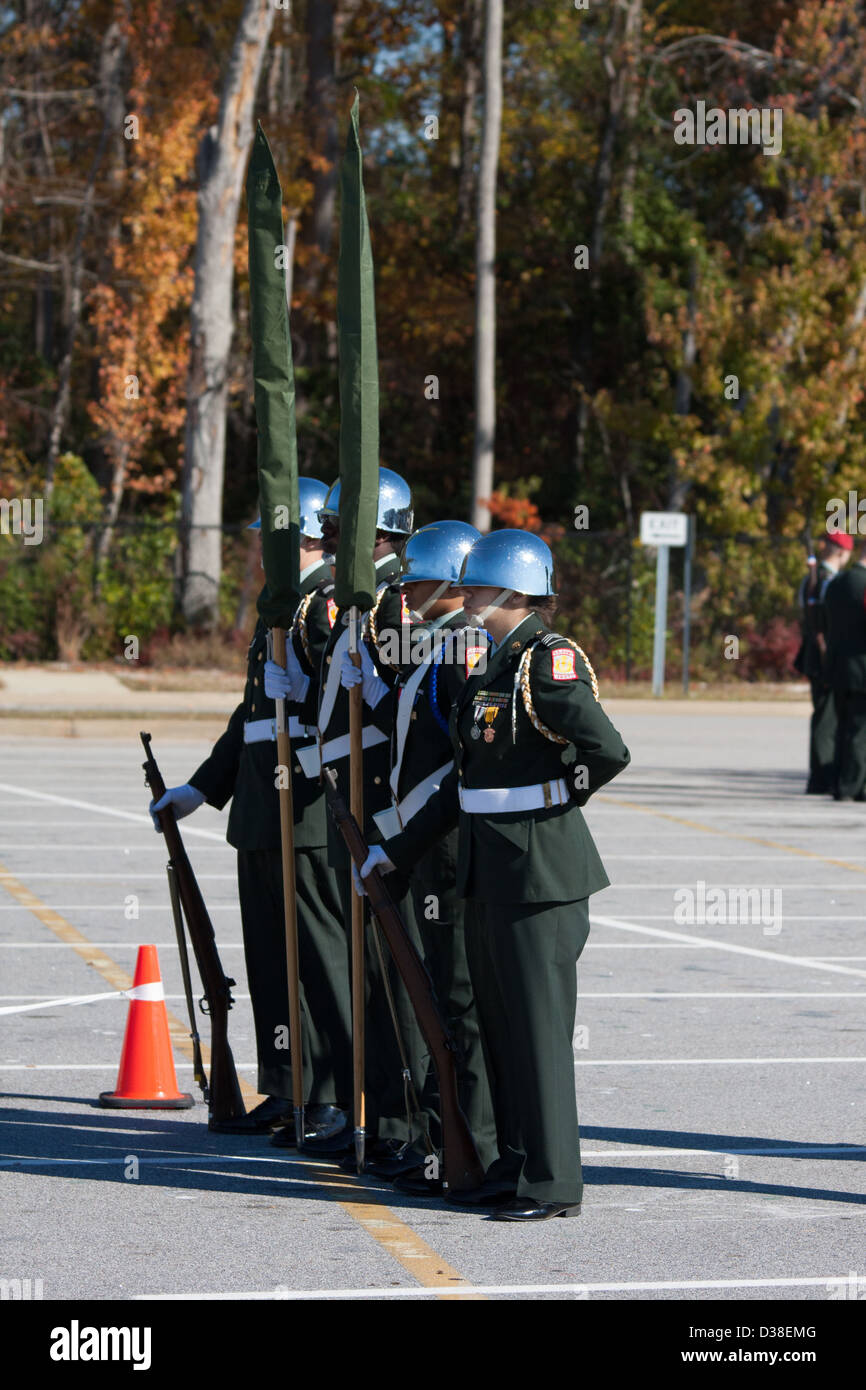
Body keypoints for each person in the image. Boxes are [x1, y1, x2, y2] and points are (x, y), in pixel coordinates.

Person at [357, 529, 630, 1220]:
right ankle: (512, 1165)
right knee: (503, 1032)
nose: (468, 596)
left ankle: (551, 1182)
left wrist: (550, 802)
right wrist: (399, 850)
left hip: (540, 877)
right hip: (489, 873)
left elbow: (606, 749)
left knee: (536, 1036)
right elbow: (461, 788)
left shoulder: (548, 661)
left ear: (512, 591)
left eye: (478, 586)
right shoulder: (492, 664)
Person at [150, 479, 348, 1137]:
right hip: (264, 811)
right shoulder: (280, 609)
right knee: (270, 961)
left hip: (309, 812)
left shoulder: (326, 607)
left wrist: (312, 687)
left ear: (305, 538)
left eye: (272, 536)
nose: (261, 550)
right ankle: (290, 1091)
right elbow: (252, 717)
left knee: (316, 960)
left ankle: (332, 1098)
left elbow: (348, 704)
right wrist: (203, 787)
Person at [267, 467, 431, 1172]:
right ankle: (387, 1122)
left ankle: (407, 1128)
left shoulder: (394, 606)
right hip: (347, 801)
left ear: (380, 536)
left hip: (382, 809)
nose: (330, 545)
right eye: (329, 533)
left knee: (392, 974)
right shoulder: (362, 603)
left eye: (340, 533)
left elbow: (416, 714)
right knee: (370, 971)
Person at [369, 520, 497, 1196]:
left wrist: (406, 839)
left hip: (441, 848)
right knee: (433, 999)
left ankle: (466, 1153)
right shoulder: (437, 643)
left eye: (418, 575)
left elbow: (457, 759)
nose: (407, 585)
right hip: (419, 840)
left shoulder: (466, 647)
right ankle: (440, 1145)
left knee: (454, 1000)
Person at [795, 531, 853, 793]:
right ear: (843, 551)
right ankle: (823, 776)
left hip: (816, 654)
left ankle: (821, 774)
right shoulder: (828, 581)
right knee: (827, 717)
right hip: (825, 655)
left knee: (824, 714)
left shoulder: (813, 579)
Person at [823, 534, 866, 802]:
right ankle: (854, 786)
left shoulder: (837, 582)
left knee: (842, 728)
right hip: (862, 667)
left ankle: (839, 782)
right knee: (860, 731)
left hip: (838, 665)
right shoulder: (863, 584)